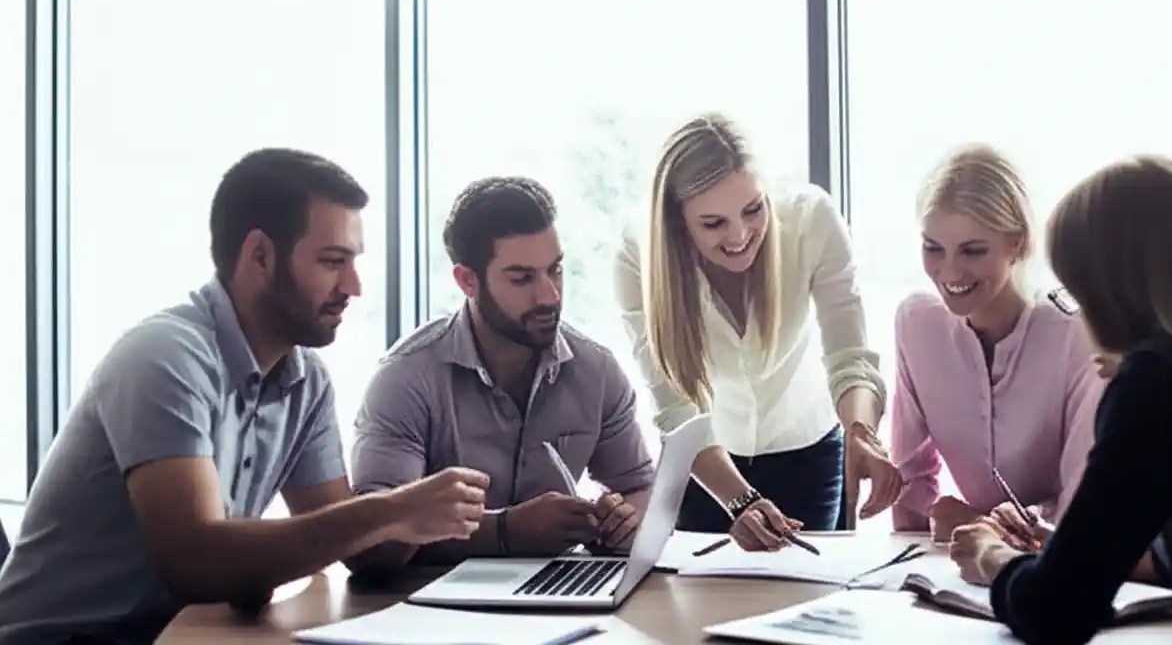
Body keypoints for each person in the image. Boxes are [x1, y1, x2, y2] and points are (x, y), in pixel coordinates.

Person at [0, 149, 490, 644]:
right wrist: (393, 512)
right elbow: (195, 562)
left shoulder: (306, 382)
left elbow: (357, 550)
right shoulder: (165, 356)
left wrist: (434, 499)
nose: (354, 286)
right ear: (260, 256)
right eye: (332, 261)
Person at [950, 156, 1172, 644]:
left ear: (1108, 291)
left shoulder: (1160, 383)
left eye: (1077, 295)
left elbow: (1056, 612)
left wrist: (993, 559)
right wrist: (1071, 550)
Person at [615, 112, 900, 551]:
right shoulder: (639, 255)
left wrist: (862, 431)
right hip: (705, 468)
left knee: (810, 606)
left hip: (809, 454)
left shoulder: (811, 221)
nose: (740, 235)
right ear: (677, 221)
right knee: (699, 614)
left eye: (753, 209)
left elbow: (851, 356)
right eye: (713, 223)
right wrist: (740, 500)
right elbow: (676, 409)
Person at [350, 176, 654, 571]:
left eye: (555, 270)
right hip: (431, 611)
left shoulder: (595, 371)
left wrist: (622, 522)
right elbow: (373, 541)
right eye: (522, 278)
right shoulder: (406, 379)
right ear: (467, 281)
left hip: (556, 598)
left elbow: (640, 487)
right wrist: (505, 531)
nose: (550, 296)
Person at [891, 145, 1103, 541]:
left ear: (1018, 244)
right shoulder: (917, 324)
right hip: (956, 570)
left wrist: (981, 526)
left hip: (1061, 572)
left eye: (973, 251)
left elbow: (1085, 514)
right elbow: (912, 484)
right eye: (933, 248)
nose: (949, 271)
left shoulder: (1077, 336)